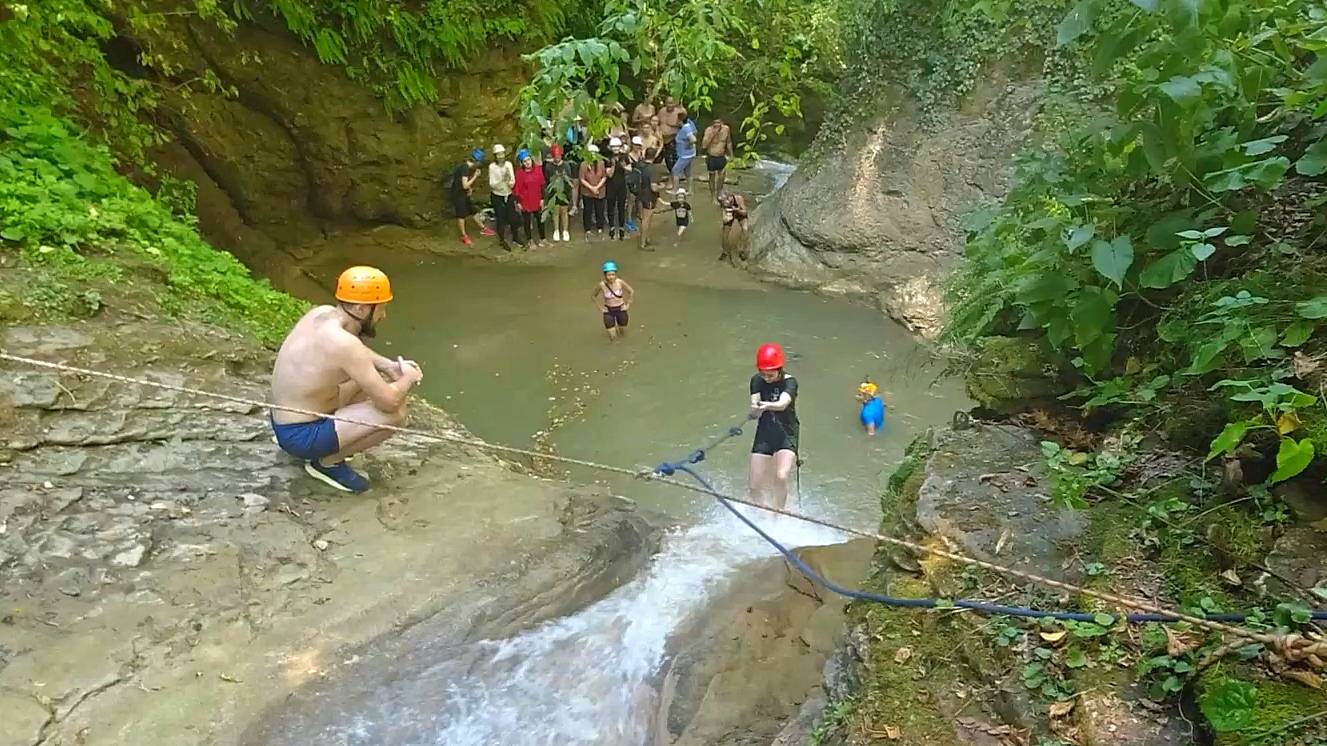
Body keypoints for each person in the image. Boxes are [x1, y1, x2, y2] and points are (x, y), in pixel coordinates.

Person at [270, 266, 422, 493]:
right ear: (361, 308)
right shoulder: (345, 344)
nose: (383, 315)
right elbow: (388, 401)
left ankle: (325, 443)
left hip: (283, 418)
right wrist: (408, 378)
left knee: (368, 381)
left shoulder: (320, 314)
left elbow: (355, 354)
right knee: (394, 413)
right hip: (300, 435)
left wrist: (389, 366)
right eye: (381, 309)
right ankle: (326, 462)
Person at [748, 343, 799, 509]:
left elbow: (783, 403)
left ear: (779, 369)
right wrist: (755, 410)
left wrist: (766, 406)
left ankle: (779, 513)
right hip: (765, 432)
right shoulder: (756, 380)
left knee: (781, 476)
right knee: (754, 485)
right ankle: (763, 514)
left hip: (787, 432)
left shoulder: (790, 382)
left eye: (770, 375)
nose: (766, 378)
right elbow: (755, 404)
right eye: (763, 374)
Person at [445, 148, 485, 246]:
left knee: (473, 210)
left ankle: (483, 228)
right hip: (458, 194)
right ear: (476, 161)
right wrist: (475, 176)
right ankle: (464, 235)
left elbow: (464, 184)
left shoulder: (467, 168)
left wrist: (469, 188)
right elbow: (464, 185)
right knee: (461, 214)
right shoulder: (465, 168)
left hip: (463, 193)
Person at [591, 260, 634, 341]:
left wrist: (628, 304)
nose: (611, 277)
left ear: (616, 274)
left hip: (621, 310)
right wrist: (600, 308)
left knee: (623, 334)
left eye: (613, 274)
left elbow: (631, 291)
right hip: (608, 311)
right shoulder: (602, 285)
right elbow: (593, 296)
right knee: (613, 337)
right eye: (609, 275)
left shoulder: (620, 282)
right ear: (605, 275)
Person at [514, 148, 548, 248]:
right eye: (525, 161)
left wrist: (542, 199)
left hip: (537, 199)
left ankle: (543, 239)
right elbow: (517, 189)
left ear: (531, 159)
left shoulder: (538, 169)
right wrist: (519, 202)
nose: (527, 162)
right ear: (522, 163)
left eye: (528, 160)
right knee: (527, 222)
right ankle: (530, 240)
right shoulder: (520, 173)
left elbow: (542, 184)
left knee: (540, 220)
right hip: (525, 201)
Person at [488, 143, 519, 250]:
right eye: (498, 155)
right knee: (500, 218)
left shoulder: (508, 165)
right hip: (497, 195)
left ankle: (516, 237)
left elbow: (513, 181)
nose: (501, 157)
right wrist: (502, 178)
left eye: (502, 154)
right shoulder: (492, 167)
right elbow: (492, 184)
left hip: (508, 194)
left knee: (513, 217)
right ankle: (502, 239)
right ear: (495, 156)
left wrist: (509, 180)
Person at [544, 144, 575, 242]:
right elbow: (547, 179)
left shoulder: (566, 165)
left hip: (564, 191)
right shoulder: (549, 166)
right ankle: (556, 230)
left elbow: (569, 179)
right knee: (556, 211)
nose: (557, 158)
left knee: (564, 211)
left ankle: (565, 230)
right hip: (554, 192)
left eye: (558, 156)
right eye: (555, 156)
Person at [579, 143, 608, 240]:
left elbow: (604, 177)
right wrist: (591, 188)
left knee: (599, 210)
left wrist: (597, 187)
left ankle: (600, 228)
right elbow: (582, 179)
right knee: (587, 211)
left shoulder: (601, 163)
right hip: (587, 191)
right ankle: (587, 229)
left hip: (600, 191)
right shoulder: (583, 164)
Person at [701, 118, 734, 202]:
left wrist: (731, 155)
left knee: (722, 175)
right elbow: (704, 146)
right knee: (712, 176)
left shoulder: (726, 129)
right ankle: (713, 196)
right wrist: (713, 135)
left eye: (719, 123)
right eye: (715, 123)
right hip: (711, 156)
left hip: (721, 156)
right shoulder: (708, 130)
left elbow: (728, 142)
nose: (717, 125)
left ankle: (719, 192)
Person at [633, 158, 661, 251]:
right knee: (646, 219)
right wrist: (662, 186)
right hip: (649, 196)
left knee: (644, 218)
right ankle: (643, 244)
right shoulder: (652, 170)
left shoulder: (639, 165)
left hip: (640, 194)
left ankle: (647, 239)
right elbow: (654, 188)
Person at [605, 137, 630, 241]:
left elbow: (630, 168)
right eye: (614, 146)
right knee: (611, 207)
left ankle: (621, 227)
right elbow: (609, 174)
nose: (615, 148)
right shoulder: (607, 158)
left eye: (617, 146)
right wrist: (614, 165)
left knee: (621, 207)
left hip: (621, 185)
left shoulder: (624, 157)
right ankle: (611, 227)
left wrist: (622, 165)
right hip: (611, 185)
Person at [718, 190, 750, 264]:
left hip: (740, 213)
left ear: (729, 198)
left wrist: (736, 210)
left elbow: (745, 212)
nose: (723, 203)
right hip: (730, 213)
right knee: (725, 234)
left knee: (745, 229)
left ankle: (742, 251)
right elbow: (723, 212)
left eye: (724, 201)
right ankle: (725, 252)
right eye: (722, 201)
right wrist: (725, 218)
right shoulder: (723, 202)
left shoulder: (739, 199)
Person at [658, 96, 688, 171]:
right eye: (668, 103)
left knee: (673, 158)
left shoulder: (679, 112)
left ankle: (676, 174)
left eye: (671, 103)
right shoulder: (661, 111)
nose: (669, 105)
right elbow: (657, 122)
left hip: (674, 139)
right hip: (662, 139)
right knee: (666, 159)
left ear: (674, 104)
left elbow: (685, 126)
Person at [671, 116, 698, 193]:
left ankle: (675, 190)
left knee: (675, 170)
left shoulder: (686, 128)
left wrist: (688, 144)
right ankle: (690, 190)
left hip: (685, 155)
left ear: (680, 121)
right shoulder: (688, 126)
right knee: (687, 172)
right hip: (687, 154)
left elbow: (693, 139)